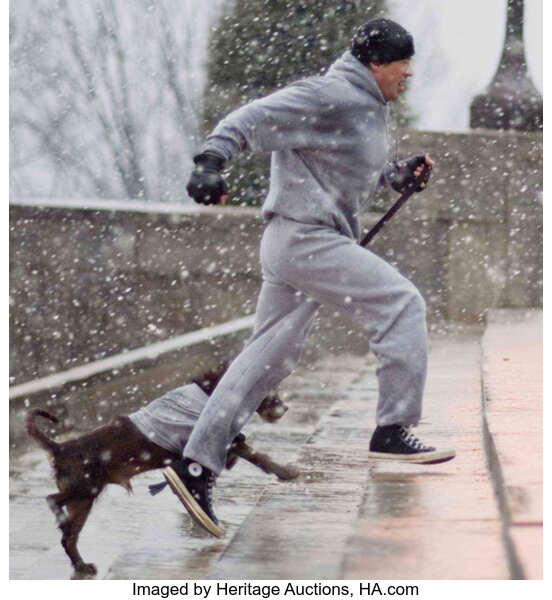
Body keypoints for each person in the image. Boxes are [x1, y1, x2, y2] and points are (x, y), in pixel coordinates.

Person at [162, 18, 456, 538]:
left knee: (267, 359)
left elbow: (353, 166)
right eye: (403, 64)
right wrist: (210, 161)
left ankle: (196, 465)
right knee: (402, 304)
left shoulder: (365, 104)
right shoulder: (328, 93)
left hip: (299, 241)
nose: (408, 74)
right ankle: (393, 428)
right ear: (376, 63)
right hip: (306, 239)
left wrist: (397, 175)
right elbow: (251, 118)